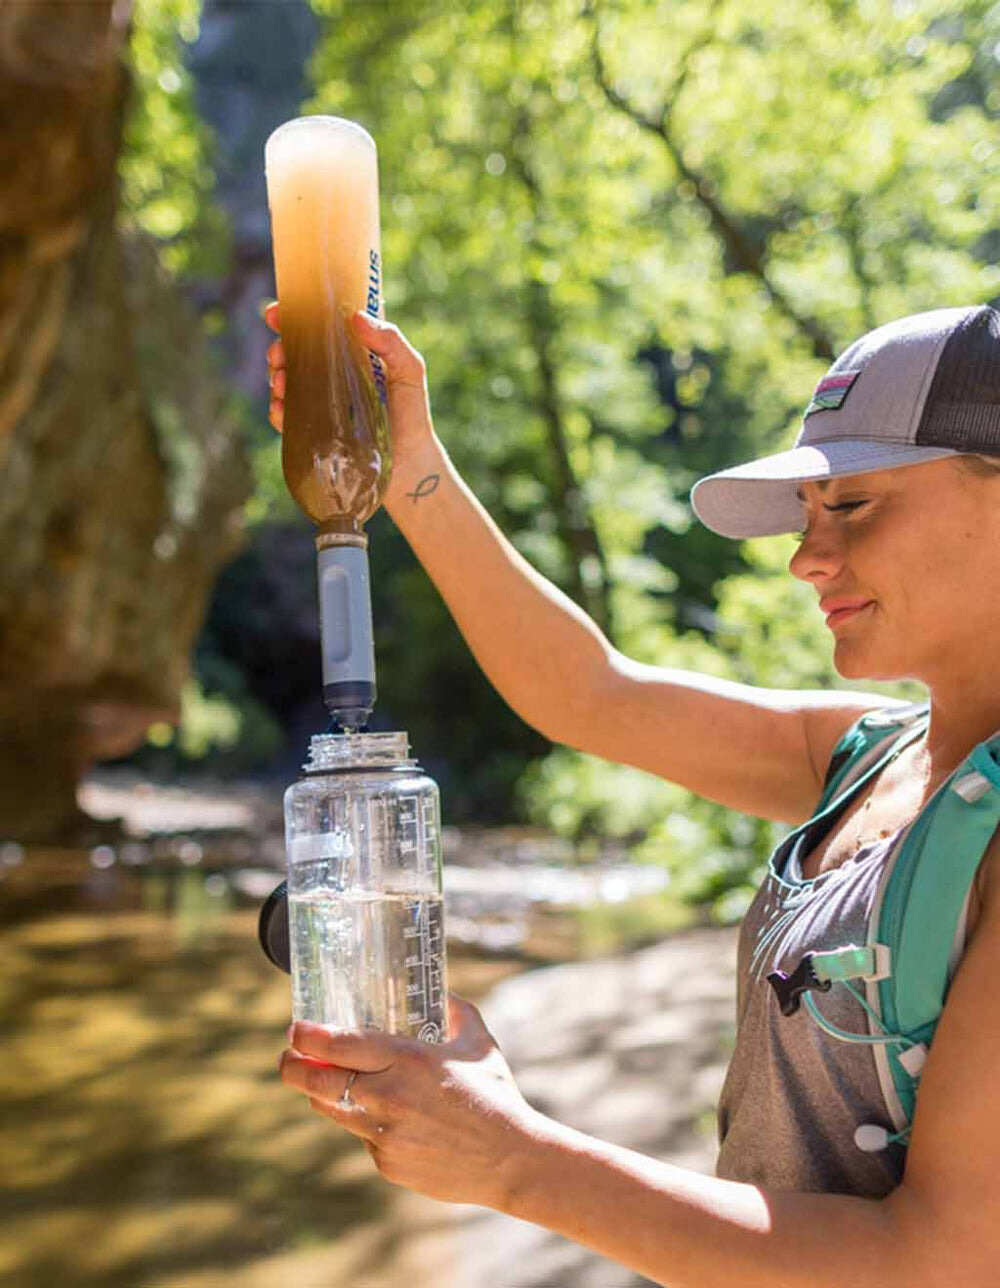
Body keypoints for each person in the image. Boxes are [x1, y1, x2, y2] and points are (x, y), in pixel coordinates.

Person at [267, 300, 1000, 1287]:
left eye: (853, 505)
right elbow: (591, 693)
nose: (803, 557)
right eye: (805, 514)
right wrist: (412, 470)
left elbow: (944, 1259)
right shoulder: (867, 755)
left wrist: (516, 1160)